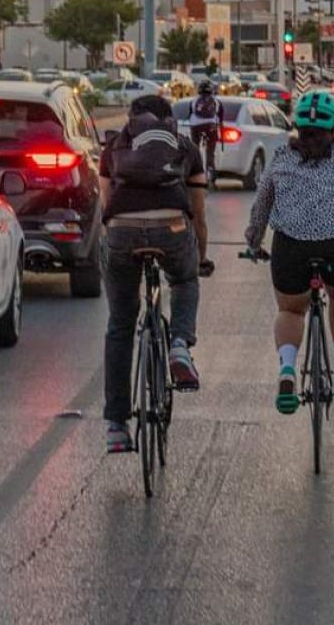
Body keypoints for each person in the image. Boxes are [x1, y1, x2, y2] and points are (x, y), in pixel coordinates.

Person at [245, 90, 334, 407]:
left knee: (291, 309)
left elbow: (261, 206)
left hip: (291, 248)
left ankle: (288, 370)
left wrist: (254, 242)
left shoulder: (281, 158)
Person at [100, 94, 210, 453]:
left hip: (121, 233)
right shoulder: (186, 147)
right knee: (184, 279)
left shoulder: (113, 147)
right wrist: (201, 258)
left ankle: (117, 425)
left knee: (120, 324)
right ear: (167, 121)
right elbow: (198, 212)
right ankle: (179, 344)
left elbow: (105, 205)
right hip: (172, 229)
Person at [189, 80, 224, 183]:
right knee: (210, 150)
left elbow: (190, 115)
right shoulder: (217, 102)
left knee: (195, 147)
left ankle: (195, 168)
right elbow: (220, 118)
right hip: (210, 126)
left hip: (196, 126)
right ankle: (211, 169)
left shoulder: (194, 100)